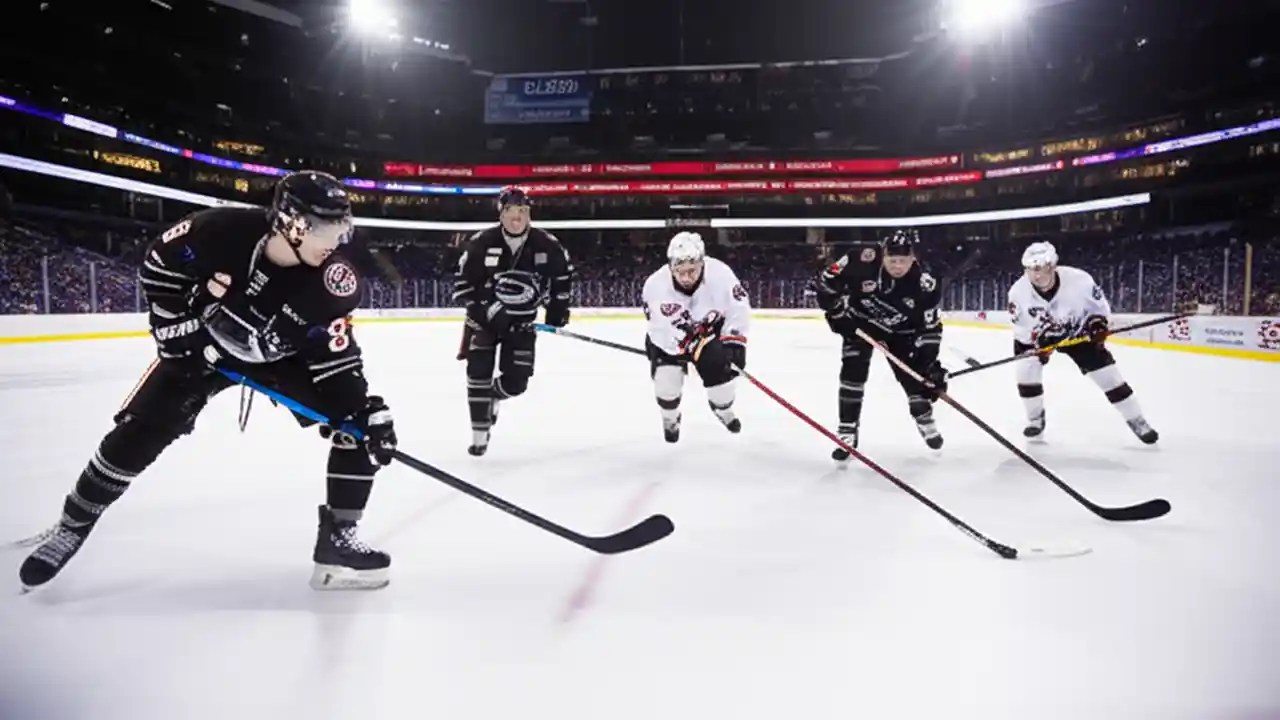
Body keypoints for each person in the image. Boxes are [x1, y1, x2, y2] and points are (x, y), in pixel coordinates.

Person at [18, 171, 399, 592]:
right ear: (291, 221)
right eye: (326, 228)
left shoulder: (336, 281)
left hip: (280, 355)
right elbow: (157, 268)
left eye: (342, 228)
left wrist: (362, 408)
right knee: (139, 431)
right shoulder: (218, 231)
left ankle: (337, 545)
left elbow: (335, 356)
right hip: (204, 342)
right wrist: (178, 328)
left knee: (360, 424)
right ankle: (74, 523)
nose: (335, 241)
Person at [452, 186, 573, 456]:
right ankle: (479, 435)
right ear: (501, 213)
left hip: (522, 324)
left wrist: (558, 310)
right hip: (482, 322)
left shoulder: (548, 245)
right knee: (477, 375)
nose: (516, 218)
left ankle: (495, 395)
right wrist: (489, 309)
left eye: (522, 211)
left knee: (517, 382)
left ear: (529, 214)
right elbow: (462, 285)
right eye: (510, 211)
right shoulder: (481, 242)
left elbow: (562, 279)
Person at [813, 229, 947, 460]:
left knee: (914, 377)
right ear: (882, 256)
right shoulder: (860, 259)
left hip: (902, 331)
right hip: (860, 324)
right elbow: (825, 282)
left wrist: (929, 365)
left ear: (913, 258)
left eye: (903, 261)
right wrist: (835, 312)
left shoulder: (926, 283)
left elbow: (931, 329)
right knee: (852, 374)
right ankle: (847, 430)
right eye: (892, 260)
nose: (897, 266)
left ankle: (923, 415)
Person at [1008, 241, 1158, 443]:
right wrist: (1037, 348)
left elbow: (1100, 310)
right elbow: (1023, 330)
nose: (1035, 275)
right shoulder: (1018, 293)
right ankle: (1035, 419)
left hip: (1078, 333)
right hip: (1041, 337)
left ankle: (1137, 420)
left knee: (1109, 377)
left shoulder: (1079, 281)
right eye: (1029, 269)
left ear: (1052, 266)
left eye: (1040, 269)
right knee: (1025, 373)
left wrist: (1097, 325)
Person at [640, 232, 749, 442]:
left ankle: (722, 408)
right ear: (671, 267)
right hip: (669, 342)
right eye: (680, 271)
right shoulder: (655, 285)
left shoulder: (720, 274)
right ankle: (670, 418)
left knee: (723, 382)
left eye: (692, 271)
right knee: (666, 384)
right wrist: (687, 344)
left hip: (710, 334)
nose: (686, 278)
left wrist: (734, 341)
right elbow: (661, 327)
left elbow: (738, 307)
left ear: (702, 264)